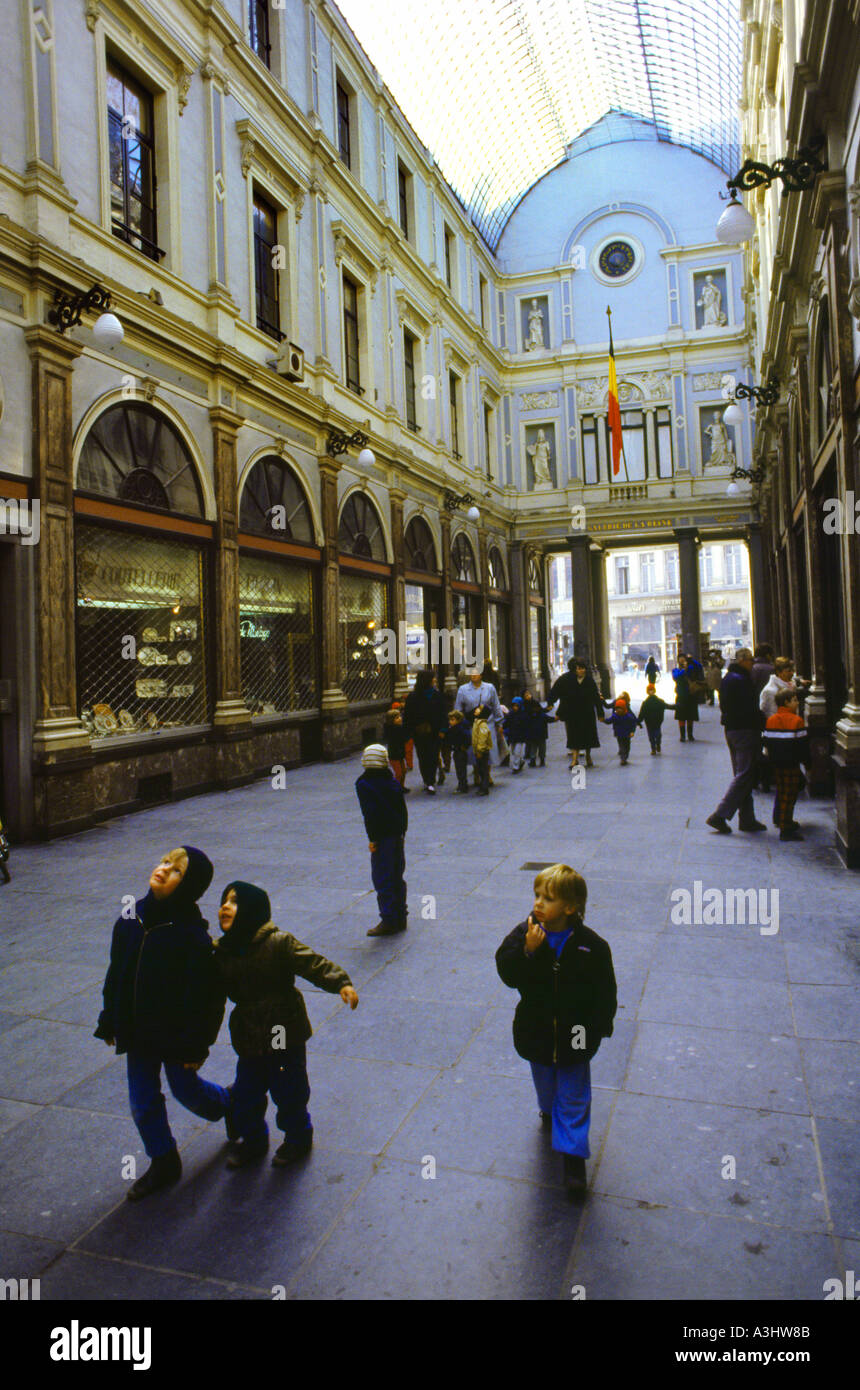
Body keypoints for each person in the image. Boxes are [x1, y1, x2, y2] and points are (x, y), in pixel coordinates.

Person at [94, 847, 228, 1201]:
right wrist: (110, 1018)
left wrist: (197, 1046)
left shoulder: (191, 936)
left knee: (187, 1090)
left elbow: (208, 999)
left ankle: (230, 1105)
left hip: (176, 1035)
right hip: (138, 1032)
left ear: (189, 887)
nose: (164, 869)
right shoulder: (130, 917)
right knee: (142, 1102)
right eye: (165, 862)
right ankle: (164, 1159)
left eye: (177, 871)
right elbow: (116, 972)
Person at [214, 881, 358, 1167]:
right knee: (246, 1092)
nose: (225, 907)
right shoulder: (222, 952)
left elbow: (312, 963)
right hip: (248, 1032)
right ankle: (254, 1140)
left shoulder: (278, 942)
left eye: (235, 901)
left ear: (253, 910)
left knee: (287, 1086)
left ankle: (298, 1137)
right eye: (224, 901)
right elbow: (210, 996)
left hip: (282, 1029)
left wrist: (340, 982)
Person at [495, 864, 617, 1199]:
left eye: (547, 899)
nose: (538, 903)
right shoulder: (525, 935)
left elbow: (605, 989)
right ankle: (549, 1111)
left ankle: (574, 1159)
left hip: (577, 1028)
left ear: (570, 908)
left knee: (574, 1087)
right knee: (546, 1082)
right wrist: (529, 952)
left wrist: (600, 1025)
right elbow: (507, 973)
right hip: (536, 1026)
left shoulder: (591, 946)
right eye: (536, 896)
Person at [706, 648, 767, 835]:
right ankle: (720, 815)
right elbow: (748, 708)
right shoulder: (740, 681)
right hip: (744, 730)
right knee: (745, 773)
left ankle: (747, 818)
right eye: (750, 660)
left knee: (743, 774)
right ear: (741, 660)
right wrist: (760, 722)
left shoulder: (730, 678)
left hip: (733, 729)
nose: (753, 664)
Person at [355, 744, 408, 936]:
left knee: (382, 877)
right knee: (396, 875)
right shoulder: (392, 780)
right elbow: (402, 809)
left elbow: (370, 815)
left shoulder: (364, 784)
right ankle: (401, 915)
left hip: (383, 836)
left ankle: (388, 919)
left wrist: (373, 839)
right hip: (396, 835)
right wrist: (402, 832)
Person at [763, 689, 809, 841]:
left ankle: (785, 821)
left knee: (782, 792)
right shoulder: (797, 721)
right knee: (790, 795)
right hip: (792, 764)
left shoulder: (771, 720)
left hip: (776, 764)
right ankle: (785, 828)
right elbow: (803, 746)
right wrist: (808, 763)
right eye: (794, 700)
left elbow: (767, 742)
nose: (797, 703)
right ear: (786, 703)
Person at [548, 657, 607, 770]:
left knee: (588, 735)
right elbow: (557, 692)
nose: (581, 671)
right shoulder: (566, 679)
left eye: (583, 668)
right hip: (572, 713)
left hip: (587, 712)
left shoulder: (589, 681)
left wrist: (600, 713)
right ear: (574, 669)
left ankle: (588, 756)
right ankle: (574, 760)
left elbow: (596, 697)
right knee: (574, 736)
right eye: (579, 669)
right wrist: (551, 703)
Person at [403, 669, 447, 795]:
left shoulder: (437, 695)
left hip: (435, 732)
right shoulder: (413, 697)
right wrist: (408, 733)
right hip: (420, 733)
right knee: (423, 757)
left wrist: (443, 729)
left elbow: (443, 713)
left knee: (433, 755)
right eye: (432, 678)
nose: (435, 680)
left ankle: (430, 780)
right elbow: (408, 716)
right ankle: (427, 780)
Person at [454, 668, 504, 777]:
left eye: (476, 673)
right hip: (472, 724)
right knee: (474, 750)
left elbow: (496, 705)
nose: (473, 675)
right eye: (471, 673)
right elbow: (458, 708)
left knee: (488, 749)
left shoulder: (489, 688)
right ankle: (477, 772)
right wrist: (458, 723)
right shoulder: (463, 689)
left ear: (481, 675)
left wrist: (499, 723)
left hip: (487, 723)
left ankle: (487, 774)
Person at [637, 683, 675, 755]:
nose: (651, 691)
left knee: (655, 735)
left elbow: (667, 706)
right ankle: (654, 748)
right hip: (654, 722)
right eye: (649, 690)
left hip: (653, 722)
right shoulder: (654, 702)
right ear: (647, 692)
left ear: (654, 691)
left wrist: (638, 721)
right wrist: (638, 721)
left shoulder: (650, 702)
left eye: (652, 690)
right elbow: (642, 713)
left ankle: (656, 745)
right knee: (654, 735)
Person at [759, 656, 798, 721]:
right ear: (779, 672)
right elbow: (770, 714)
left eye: (792, 670)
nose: (792, 673)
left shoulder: (790, 685)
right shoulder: (770, 691)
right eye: (788, 671)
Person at [671, 654, 700, 742]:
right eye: (681, 659)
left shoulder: (691, 668)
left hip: (691, 695)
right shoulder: (675, 670)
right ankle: (682, 736)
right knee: (681, 717)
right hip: (681, 696)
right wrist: (684, 669)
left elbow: (699, 667)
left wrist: (692, 660)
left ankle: (690, 735)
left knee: (690, 717)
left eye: (684, 659)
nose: (683, 661)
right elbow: (676, 676)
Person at [443, 708, 472, 793]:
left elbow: (467, 738)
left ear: (458, 720)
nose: (450, 722)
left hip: (460, 750)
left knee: (461, 769)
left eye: (452, 720)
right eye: (450, 720)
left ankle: (462, 786)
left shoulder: (460, 729)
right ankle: (462, 784)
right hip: (456, 749)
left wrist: (465, 746)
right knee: (459, 768)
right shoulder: (454, 728)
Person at [523, 689, 553, 767]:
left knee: (539, 747)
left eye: (529, 693)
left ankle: (540, 759)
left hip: (538, 732)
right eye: (526, 695)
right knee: (534, 746)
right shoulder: (525, 707)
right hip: (533, 731)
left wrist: (547, 710)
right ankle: (533, 759)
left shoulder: (538, 710)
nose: (528, 695)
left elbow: (544, 714)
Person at [604, 696, 638, 765]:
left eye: (620, 708)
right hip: (619, 734)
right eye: (617, 708)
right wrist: (604, 720)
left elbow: (633, 724)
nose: (618, 710)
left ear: (624, 708)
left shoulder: (628, 716)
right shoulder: (615, 716)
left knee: (627, 746)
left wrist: (632, 731)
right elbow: (609, 721)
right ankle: (623, 758)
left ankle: (625, 756)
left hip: (627, 734)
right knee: (622, 746)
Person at [503, 697, 531, 774]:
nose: (515, 707)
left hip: (520, 736)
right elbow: (506, 723)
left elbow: (526, 725)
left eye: (517, 705)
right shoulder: (511, 714)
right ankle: (520, 761)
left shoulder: (523, 714)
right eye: (514, 705)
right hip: (512, 736)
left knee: (517, 751)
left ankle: (516, 766)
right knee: (513, 751)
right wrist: (503, 727)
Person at [383, 707, 409, 790]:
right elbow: (404, 738)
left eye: (400, 716)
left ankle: (401, 786)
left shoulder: (399, 728)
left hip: (400, 752)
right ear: (391, 720)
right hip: (394, 754)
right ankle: (395, 788)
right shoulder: (393, 730)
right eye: (397, 718)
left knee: (403, 771)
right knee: (399, 773)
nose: (400, 718)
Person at [471, 704, 494, 795]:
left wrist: (480, 750)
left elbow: (482, 738)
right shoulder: (477, 722)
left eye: (479, 709)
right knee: (480, 770)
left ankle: (484, 788)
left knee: (483, 770)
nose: (476, 709)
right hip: (478, 750)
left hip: (482, 751)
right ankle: (482, 787)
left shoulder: (482, 724)